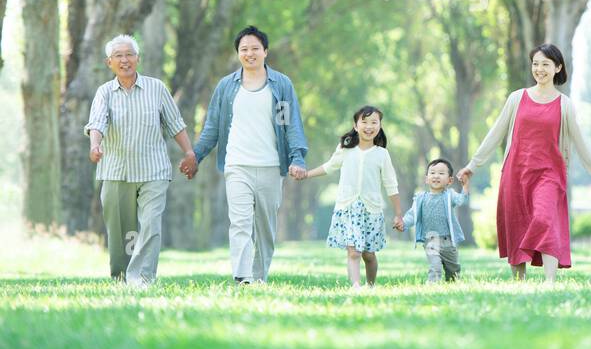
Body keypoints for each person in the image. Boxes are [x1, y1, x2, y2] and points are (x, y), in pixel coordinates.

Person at [457, 43, 591, 282]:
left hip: (549, 174)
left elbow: (582, 143)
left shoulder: (564, 104)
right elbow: (496, 133)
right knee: (516, 223)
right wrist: (473, 164)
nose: (539, 69)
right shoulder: (517, 98)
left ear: (557, 68)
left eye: (545, 64)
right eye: (535, 64)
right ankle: (519, 282)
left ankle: (549, 282)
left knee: (545, 219)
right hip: (516, 171)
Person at [183, 26, 307, 284]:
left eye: (255, 49)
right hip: (237, 165)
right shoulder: (227, 87)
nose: (249, 53)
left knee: (265, 229)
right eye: (244, 49)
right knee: (239, 223)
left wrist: (297, 157)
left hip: (271, 166)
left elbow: (290, 124)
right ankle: (243, 277)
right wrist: (195, 155)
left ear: (265, 52)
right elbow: (212, 127)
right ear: (238, 53)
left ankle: (259, 277)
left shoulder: (281, 85)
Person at [85, 35, 196, 286]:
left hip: (153, 170)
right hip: (115, 171)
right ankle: (121, 277)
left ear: (138, 58)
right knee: (120, 231)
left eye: (129, 54)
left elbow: (175, 124)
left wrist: (189, 153)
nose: (125, 60)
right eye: (119, 56)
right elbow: (97, 123)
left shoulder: (157, 88)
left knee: (150, 224)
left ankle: (142, 278)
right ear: (109, 62)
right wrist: (95, 145)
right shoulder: (104, 93)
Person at [296, 105, 402, 290]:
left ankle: (370, 286)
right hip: (348, 207)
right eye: (364, 122)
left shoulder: (382, 154)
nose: (369, 126)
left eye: (374, 122)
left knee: (368, 254)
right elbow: (329, 167)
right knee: (353, 252)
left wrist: (398, 214)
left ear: (379, 126)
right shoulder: (345, 149)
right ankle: (356, 287)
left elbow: (391, 184)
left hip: (372, 209)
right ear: (355, 125)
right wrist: (306, 174)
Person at [401, 158, 469, 283]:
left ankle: (453, 286)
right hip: (430, 239)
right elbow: (412, 214)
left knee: (453, 269)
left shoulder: (450, 195)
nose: (436, 176)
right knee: (435, 266)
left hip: (448, 240)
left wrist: (465, 187)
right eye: (432, 173)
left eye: (441, 173)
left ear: (450, 180)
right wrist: (403, 223)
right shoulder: (421, 198)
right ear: (426, 178)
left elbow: (461, 200)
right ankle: (432, 287)